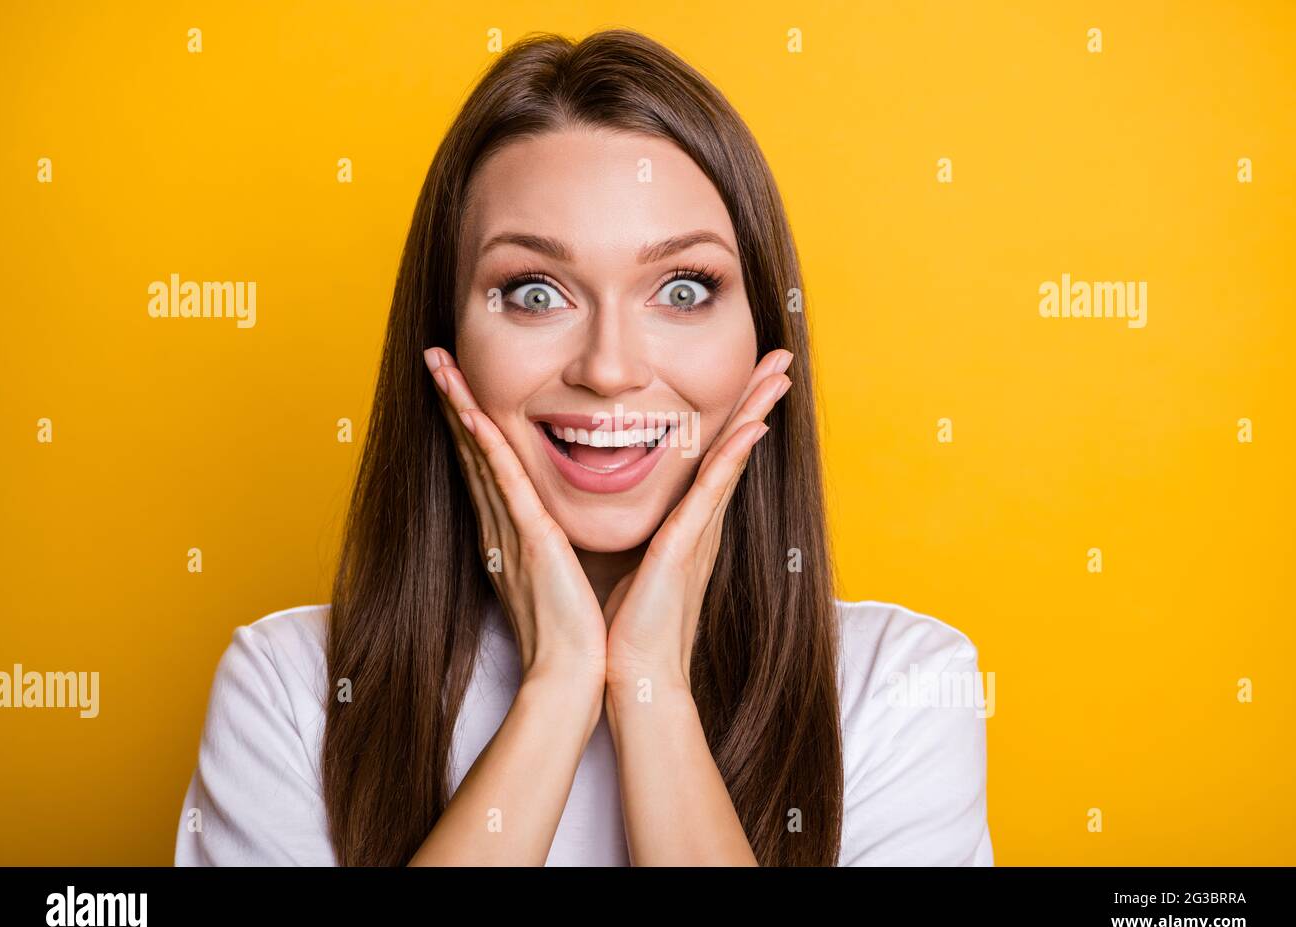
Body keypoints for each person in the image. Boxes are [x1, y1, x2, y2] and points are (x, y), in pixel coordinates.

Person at [175, 28, 992, 867]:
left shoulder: (900, 688)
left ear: (764, 340)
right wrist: (558, 684)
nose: (608, 369)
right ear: (445, 338)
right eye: (534, 292)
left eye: (681, 290)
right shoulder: (289, 690)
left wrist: (650, 687)